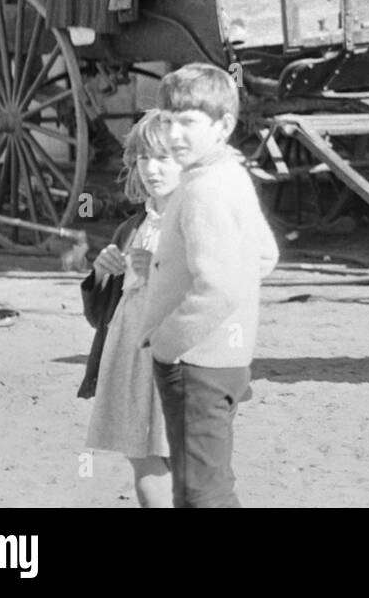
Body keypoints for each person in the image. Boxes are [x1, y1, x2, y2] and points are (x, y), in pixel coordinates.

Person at [139, 63, 279, 508]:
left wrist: (168, 342)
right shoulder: (227, 174)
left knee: (203, 493)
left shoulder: (203, 190)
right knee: (202, 482)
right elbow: (264, 254)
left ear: (224, 126)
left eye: (188, 123)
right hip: (224, 359)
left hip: (195, 364)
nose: (175, 134)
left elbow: (218, 286)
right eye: (167, 121)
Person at [79, 109, 178, 508]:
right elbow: (102, 313)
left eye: (165, 158)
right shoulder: (134, 226)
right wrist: (103, 274)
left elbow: (215, 290)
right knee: (142, 457)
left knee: (177, 460)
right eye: (144, 158)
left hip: (174, 356)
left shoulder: (195, 223)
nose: (152, 169)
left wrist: (158, 272)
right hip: (129, 355)